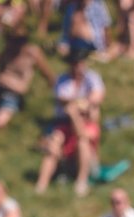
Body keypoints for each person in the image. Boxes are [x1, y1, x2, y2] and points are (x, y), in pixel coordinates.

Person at [36, 51, 105, 196]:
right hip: (65, 122)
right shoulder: (63, 80)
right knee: (54, 142)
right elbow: (63, 99)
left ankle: (82, 180)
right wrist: (80, 105)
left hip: (84, 125)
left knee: (82, 141)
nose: (78, 68)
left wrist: (75, 110)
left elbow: (95, 99)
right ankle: (41, 184)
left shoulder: (92, 78)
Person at [0, 28, 55, 130]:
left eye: (19, 40)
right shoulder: (7, 50)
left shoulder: (32, 53)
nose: (16, 43)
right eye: (12, 40)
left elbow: (47, 74)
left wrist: (55, 87)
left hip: (12, 93)